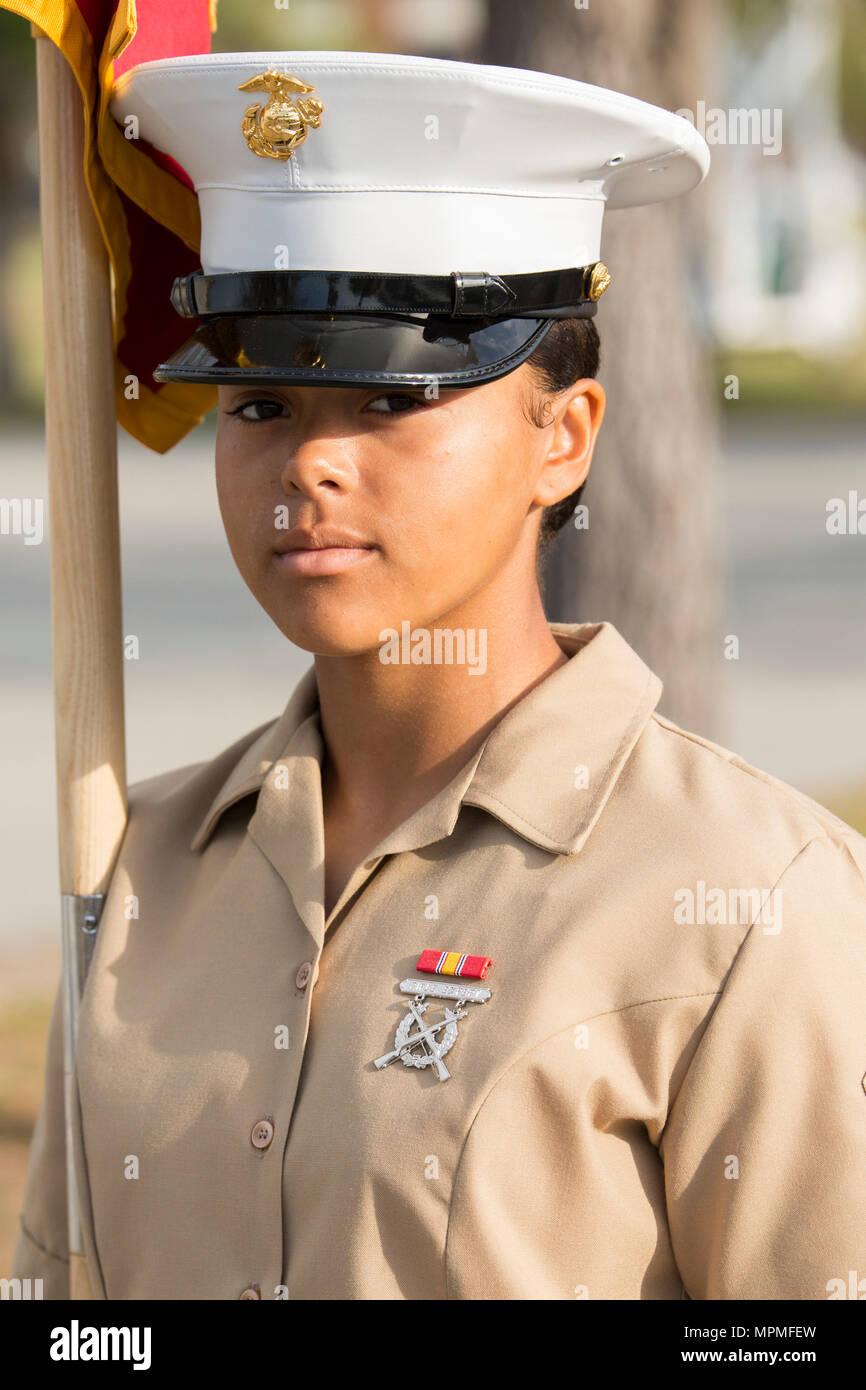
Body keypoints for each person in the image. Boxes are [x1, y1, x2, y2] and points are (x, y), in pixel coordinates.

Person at [12, 50, 866, 1301]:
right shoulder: (138, 863)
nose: (310, 466)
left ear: (561, 439)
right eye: (258, 405)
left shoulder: (747, 898)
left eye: (389, 399)